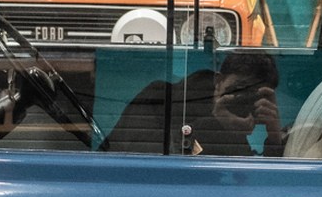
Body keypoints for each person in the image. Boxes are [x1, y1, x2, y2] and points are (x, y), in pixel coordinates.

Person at [104, 50, 285, 156]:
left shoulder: (235, 128)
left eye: (254, 96)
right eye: (238, 90)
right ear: (218, 81)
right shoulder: (160, 99)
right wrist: (216, 122)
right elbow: (144, 159)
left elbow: (248, 178)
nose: (242, 100)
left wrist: (274, 137)